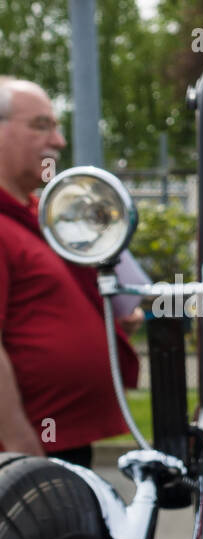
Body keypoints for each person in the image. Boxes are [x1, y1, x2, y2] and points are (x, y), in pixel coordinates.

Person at [0, 76, 139, 468]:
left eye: (57, 127)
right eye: (41, 125)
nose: (59, 142)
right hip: (28, 453)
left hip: (57, 444)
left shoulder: (34, 215)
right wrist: (20, 446)